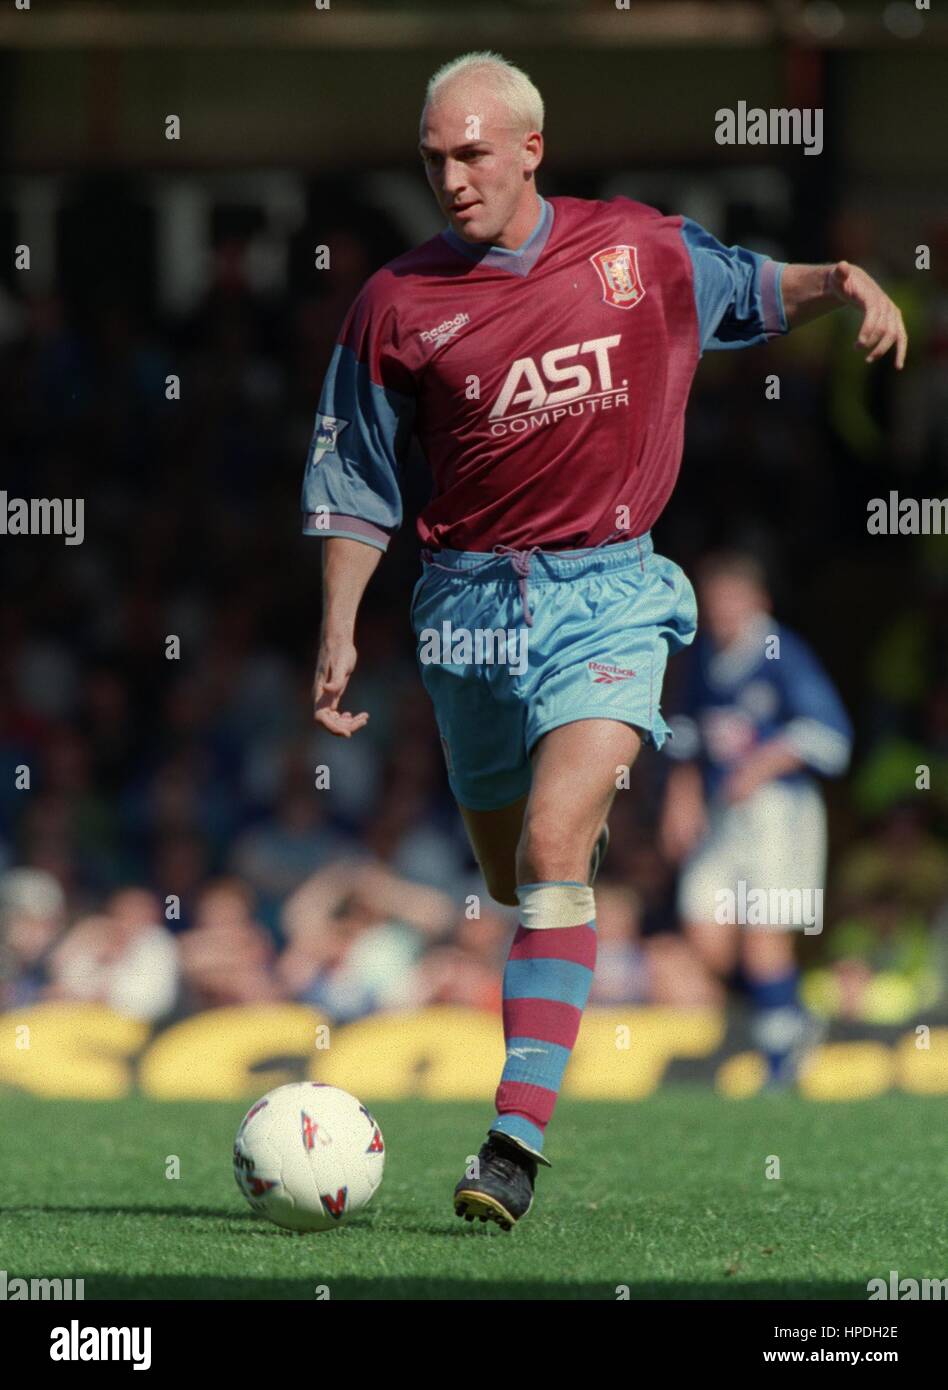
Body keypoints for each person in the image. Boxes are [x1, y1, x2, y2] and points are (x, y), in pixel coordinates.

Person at [301, 52, 907, 1229]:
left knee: (555, 843)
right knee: (506, 875)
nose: (451, 177)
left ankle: (513, 1144)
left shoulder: (639, 250)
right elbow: (356, 479)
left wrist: (841, 280)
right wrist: (338, 623)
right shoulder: (394, 304)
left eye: (472, 152)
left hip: (614, 594)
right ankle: (547, 933)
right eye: (433, 158)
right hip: (466, 611)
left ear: (532, 147)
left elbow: (750, 291)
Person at [660, 552, 853, 1086]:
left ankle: (779, 1062)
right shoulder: (703, 657)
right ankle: (788, 1016)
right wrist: (682, 794)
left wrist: (761, 765)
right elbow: (687, 732)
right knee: (706, 934)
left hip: (779, 812)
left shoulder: (781, 653)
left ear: (757, 601)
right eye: (712, 599)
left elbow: (830, 737)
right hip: (725, 817)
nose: (720, 610)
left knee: (763, 934)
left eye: (730, 599)